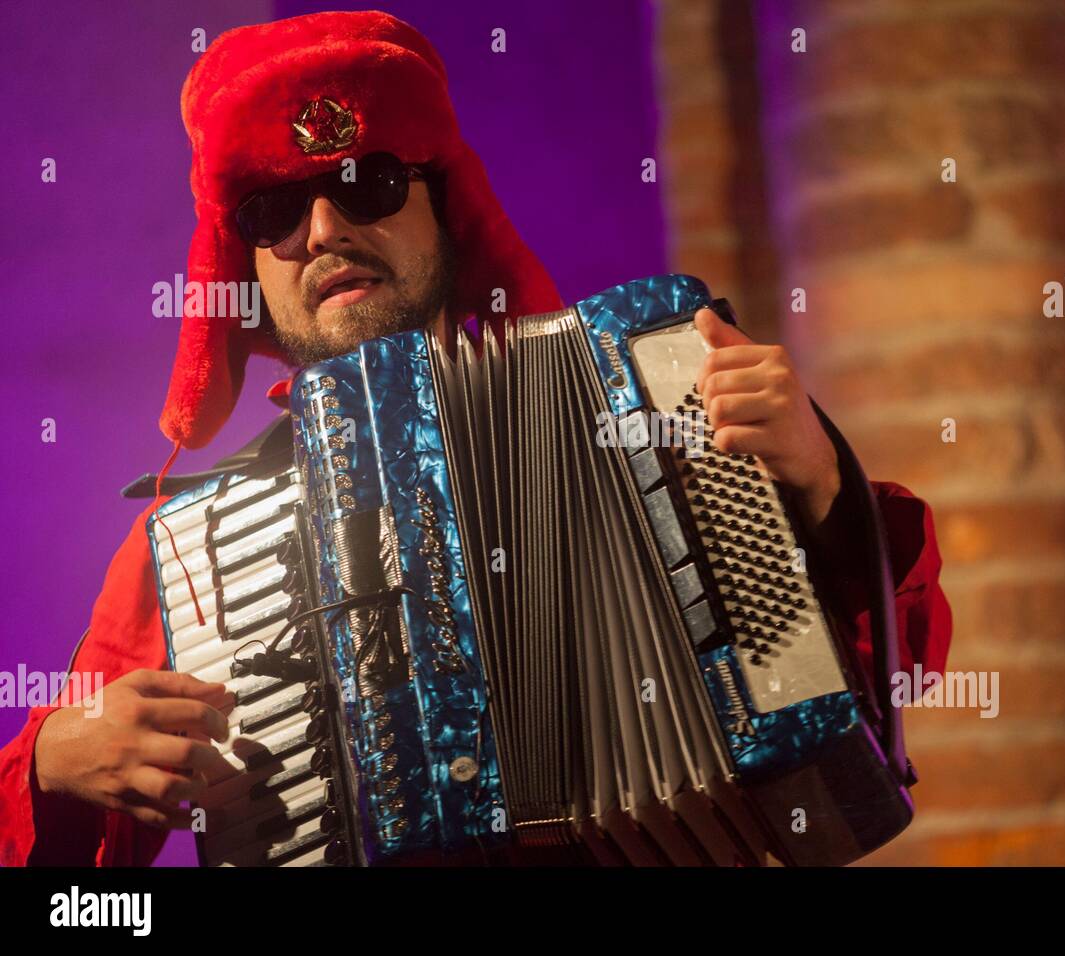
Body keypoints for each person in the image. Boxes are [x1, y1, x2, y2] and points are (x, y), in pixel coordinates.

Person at [0, 10, 952, 867]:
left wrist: (823, 490)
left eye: (367, 182)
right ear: (245, 268)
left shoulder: (661, 394)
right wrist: (52, 760)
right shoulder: (194, 556)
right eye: (273, 211)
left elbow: (890, 680)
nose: (325, 229)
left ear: (443, 207)